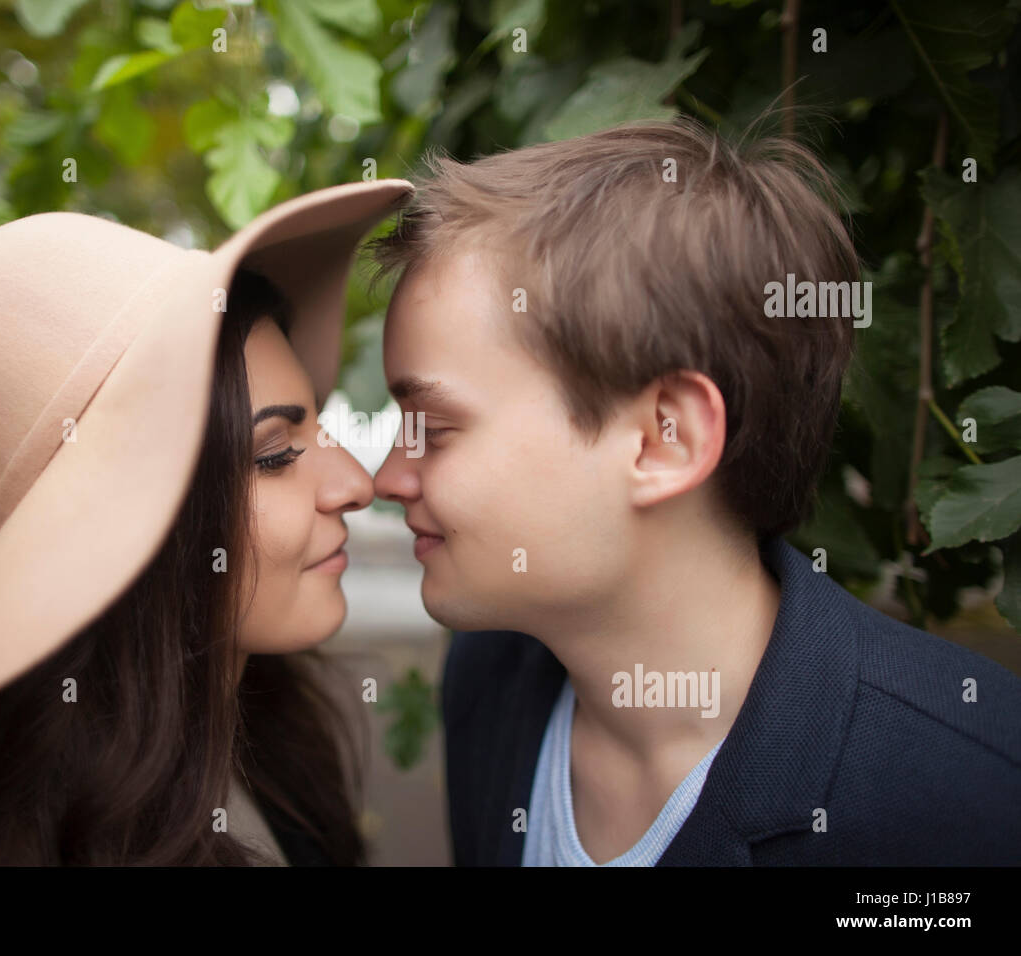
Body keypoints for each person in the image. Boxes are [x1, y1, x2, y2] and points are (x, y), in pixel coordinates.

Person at [368, 117, 1021, 866]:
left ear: (663, 439)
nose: (386, 476)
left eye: (434, 427)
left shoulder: (961, 797)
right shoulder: (492, 679)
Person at [0, 180, 413, 864]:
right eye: (275, 454)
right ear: (116, 538)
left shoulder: (268, 747)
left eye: (318, 419)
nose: (356, 484)